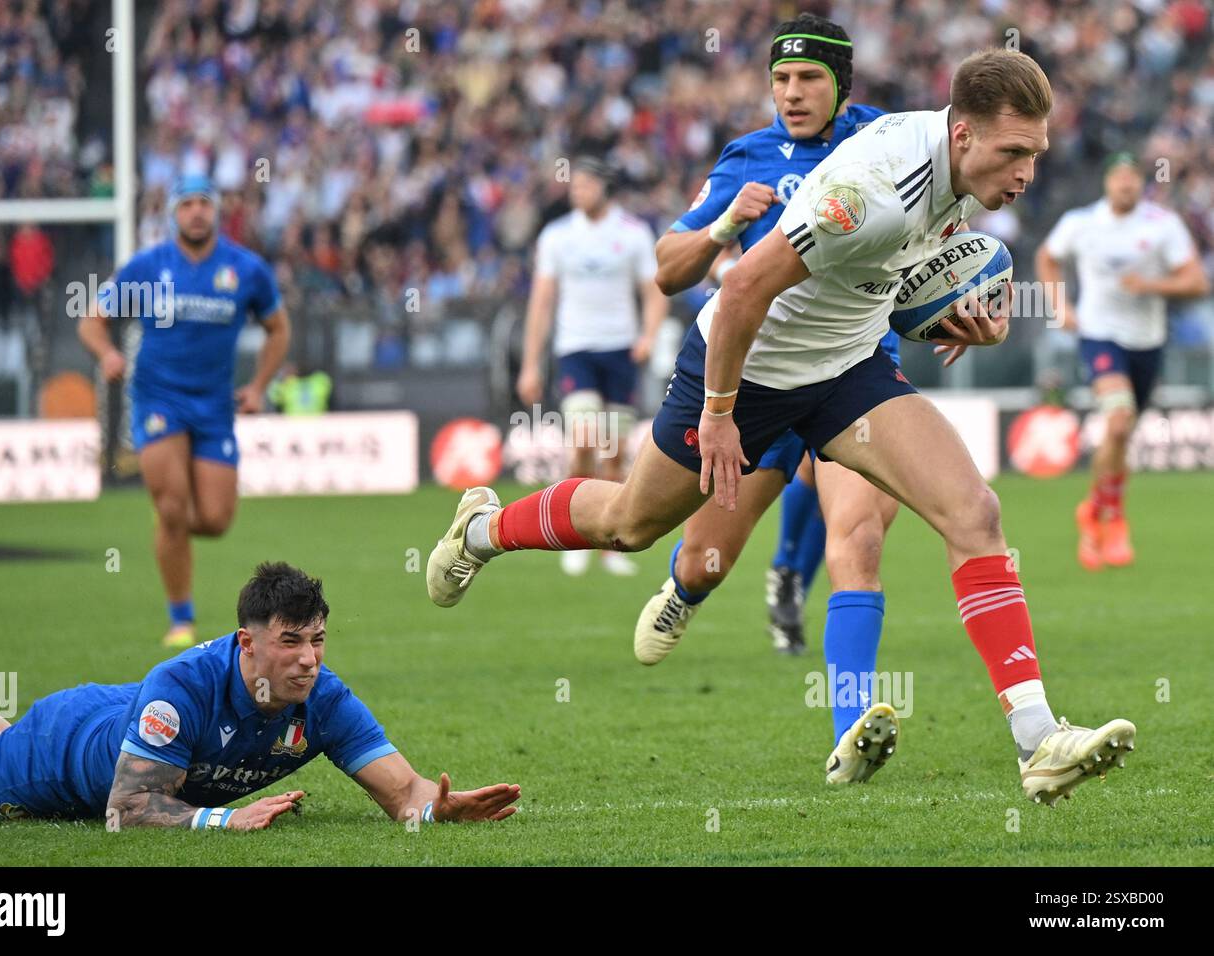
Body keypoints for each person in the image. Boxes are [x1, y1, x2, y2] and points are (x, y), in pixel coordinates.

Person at [427, 49, 1136, 806]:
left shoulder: (959, 170)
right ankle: (485, 529)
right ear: (961, 135)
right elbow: (738, 293)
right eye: (1014, 154)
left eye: (1035, 153)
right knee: (632, 523)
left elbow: (900, 277)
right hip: (747, 367)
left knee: (975, 512)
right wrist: (723, 415)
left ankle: (1039, 741)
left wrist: (962, 323)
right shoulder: (868, 194)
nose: (1026, 173)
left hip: (846, 371)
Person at [638, 13, 914, 787]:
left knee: (855, 539)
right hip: (759, 382)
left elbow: (941, 228)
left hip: (856, 375)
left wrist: (957, 299)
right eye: (781, 80)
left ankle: (849, 729)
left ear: (842, 85)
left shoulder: (888, 145)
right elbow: (668, 270)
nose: (791, 94)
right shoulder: (750, 157)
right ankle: (684, 585)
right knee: (705, 558)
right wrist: (727, 224)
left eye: (809, 80)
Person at [0, 563, 520, 828]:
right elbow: (127, 810)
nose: (308, 659)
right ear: (246, 644)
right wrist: (222, 819)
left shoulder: (324, 698)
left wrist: (437, 808)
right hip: (57, 753)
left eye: (318, 640)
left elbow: (404, 793)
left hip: (123, 717)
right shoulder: (181, 687)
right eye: (290, 642)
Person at [78, 174, 291, 649]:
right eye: (187, 203)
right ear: (173, 212)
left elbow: (278, 329)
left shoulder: (245, 268)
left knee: (215, 520)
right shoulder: (147, 267)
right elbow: (92, 321)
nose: (196, 211)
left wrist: (257, 386)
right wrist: (108, 355)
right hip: (158, 398)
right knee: (173, 506)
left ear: (216, 210)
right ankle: (181, 620)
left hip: (215, 405)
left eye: (204, 202)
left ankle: (168, 526)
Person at [1035, 152, 1209, 570]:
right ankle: (1112, 517)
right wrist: (1060, 305)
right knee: (1116, 421)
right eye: (1119, 177)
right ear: (1107, 182)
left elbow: (1197, 282)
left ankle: (1095, 509)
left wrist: (1151, 284)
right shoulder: (1081, 223)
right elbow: (1047, 257)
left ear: (1141, 183)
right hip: (1099, 335)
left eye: (1133, 178)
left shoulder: (1162, 225)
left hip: (1148, 341)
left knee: (1122, 434)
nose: (1126, 185)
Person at [516, 156, 667, 577]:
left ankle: (612, 544)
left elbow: (654, 291)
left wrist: (649, 336)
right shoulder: (558, 236)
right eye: (574, 186)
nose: (577, 192)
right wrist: (530, 364)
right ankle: (573, 533)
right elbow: (541, 302)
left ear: (604, 186)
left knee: (615, 453)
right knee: (583, 441)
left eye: (584, 185)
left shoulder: (634, 233)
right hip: (576, 349)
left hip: (620, 350)